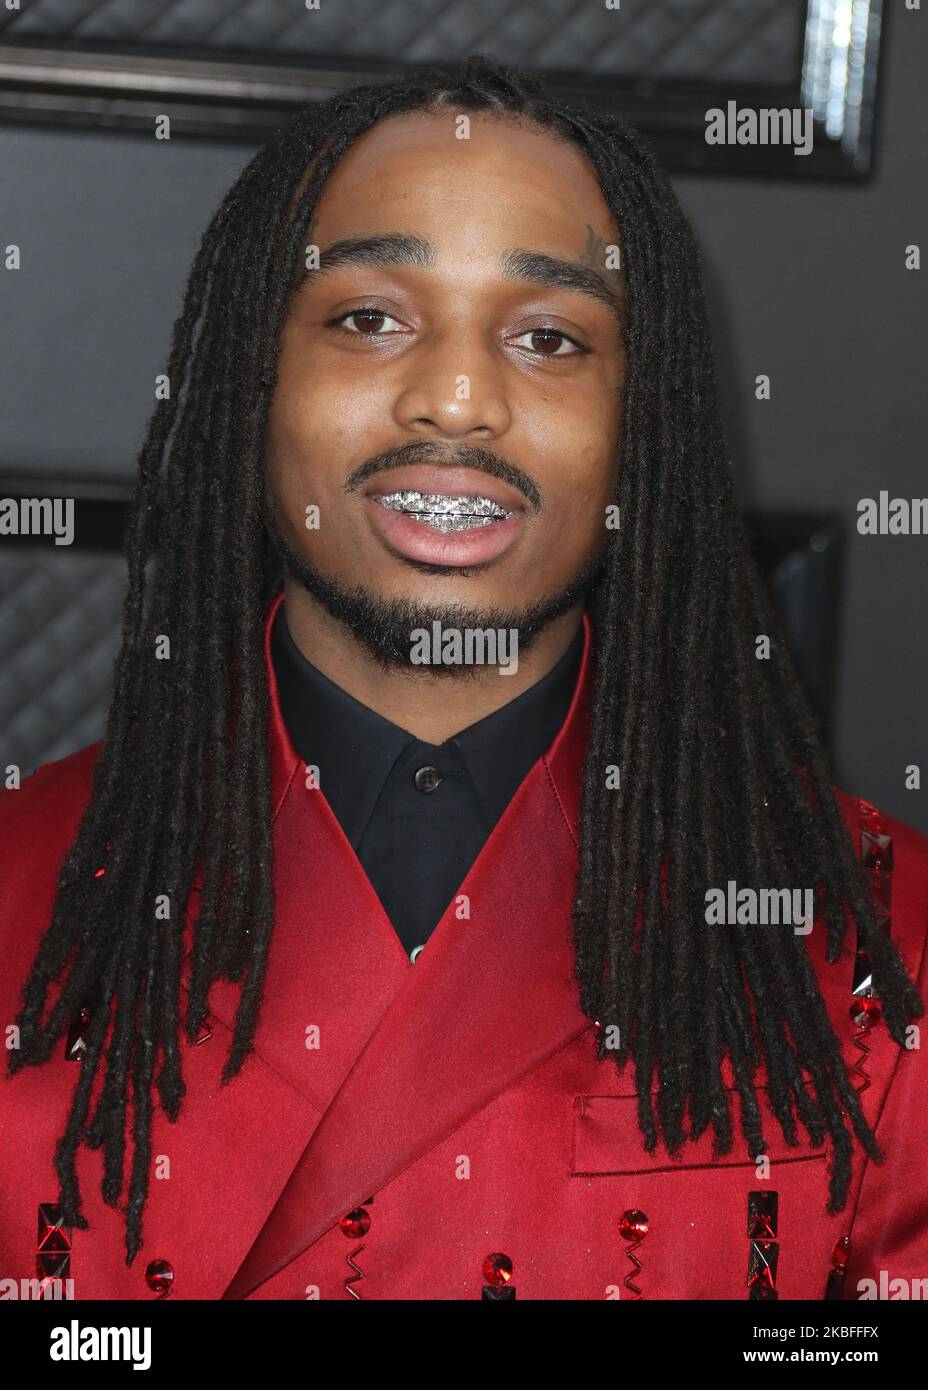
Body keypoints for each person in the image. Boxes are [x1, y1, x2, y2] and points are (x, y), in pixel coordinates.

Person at [2, 55, 925, 1302]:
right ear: (251, 385)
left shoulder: (882, 956)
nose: (455, 397)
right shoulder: (20, 895)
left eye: (549, 336)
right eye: (369, 317)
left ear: (640, 426)